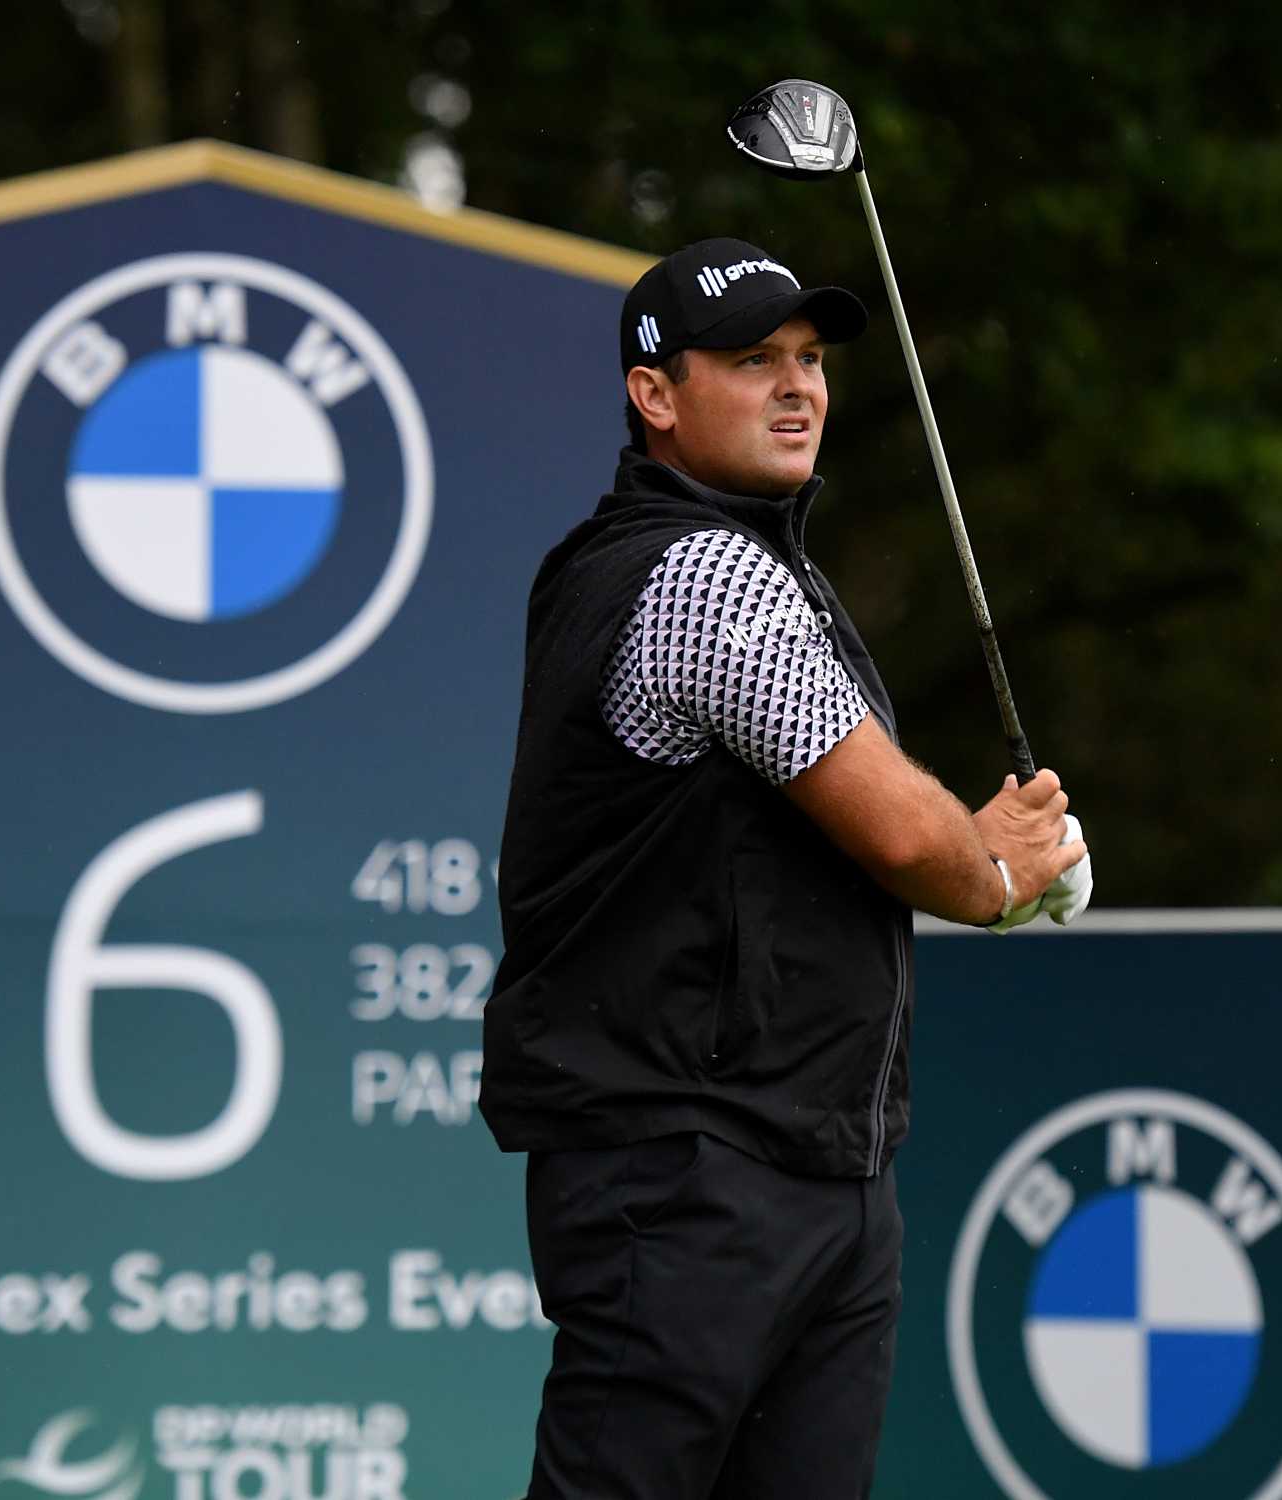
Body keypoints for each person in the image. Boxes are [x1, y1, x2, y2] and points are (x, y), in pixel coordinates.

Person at [480, 236, 1093, 1500]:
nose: (798, 386)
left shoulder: (762, 566)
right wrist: (1000, 868)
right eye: (754, 360)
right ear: (655, 394)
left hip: (812, 1170)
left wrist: (986, 852)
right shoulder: (697, 573)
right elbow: (907, 839)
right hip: (688, 1167)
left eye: (809, 360)